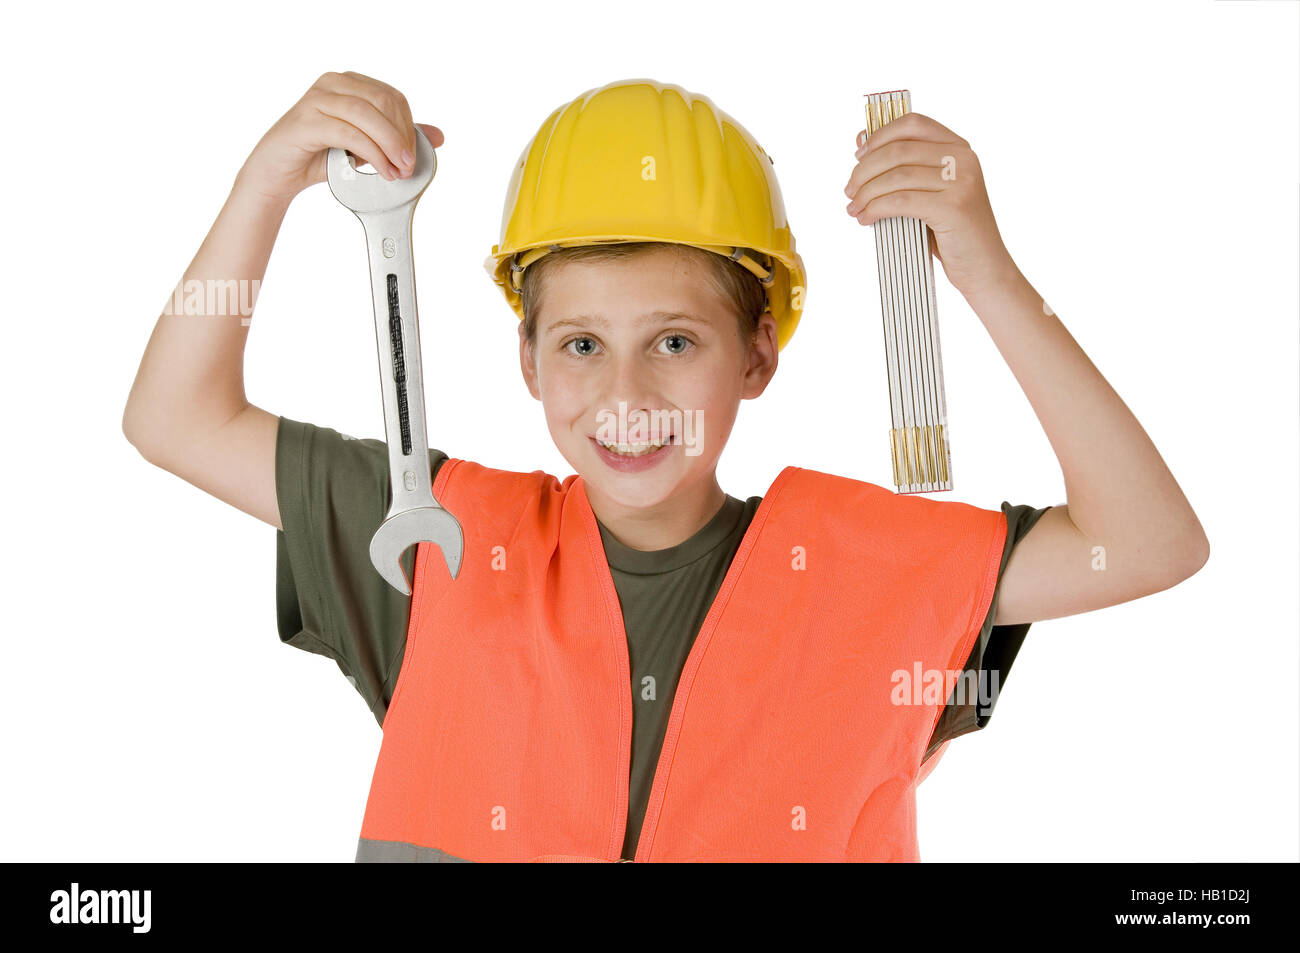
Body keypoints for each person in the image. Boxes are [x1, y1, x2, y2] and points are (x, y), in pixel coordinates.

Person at [123, 72, 1210, 862]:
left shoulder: (866, 569)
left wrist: (981, 267)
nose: (627, 397)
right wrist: (265, 181)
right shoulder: (432, 532)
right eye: (581, 344)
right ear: (528, 361)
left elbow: (1153, 542)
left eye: (675, 342)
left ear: (757, 355)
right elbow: (175, 418)